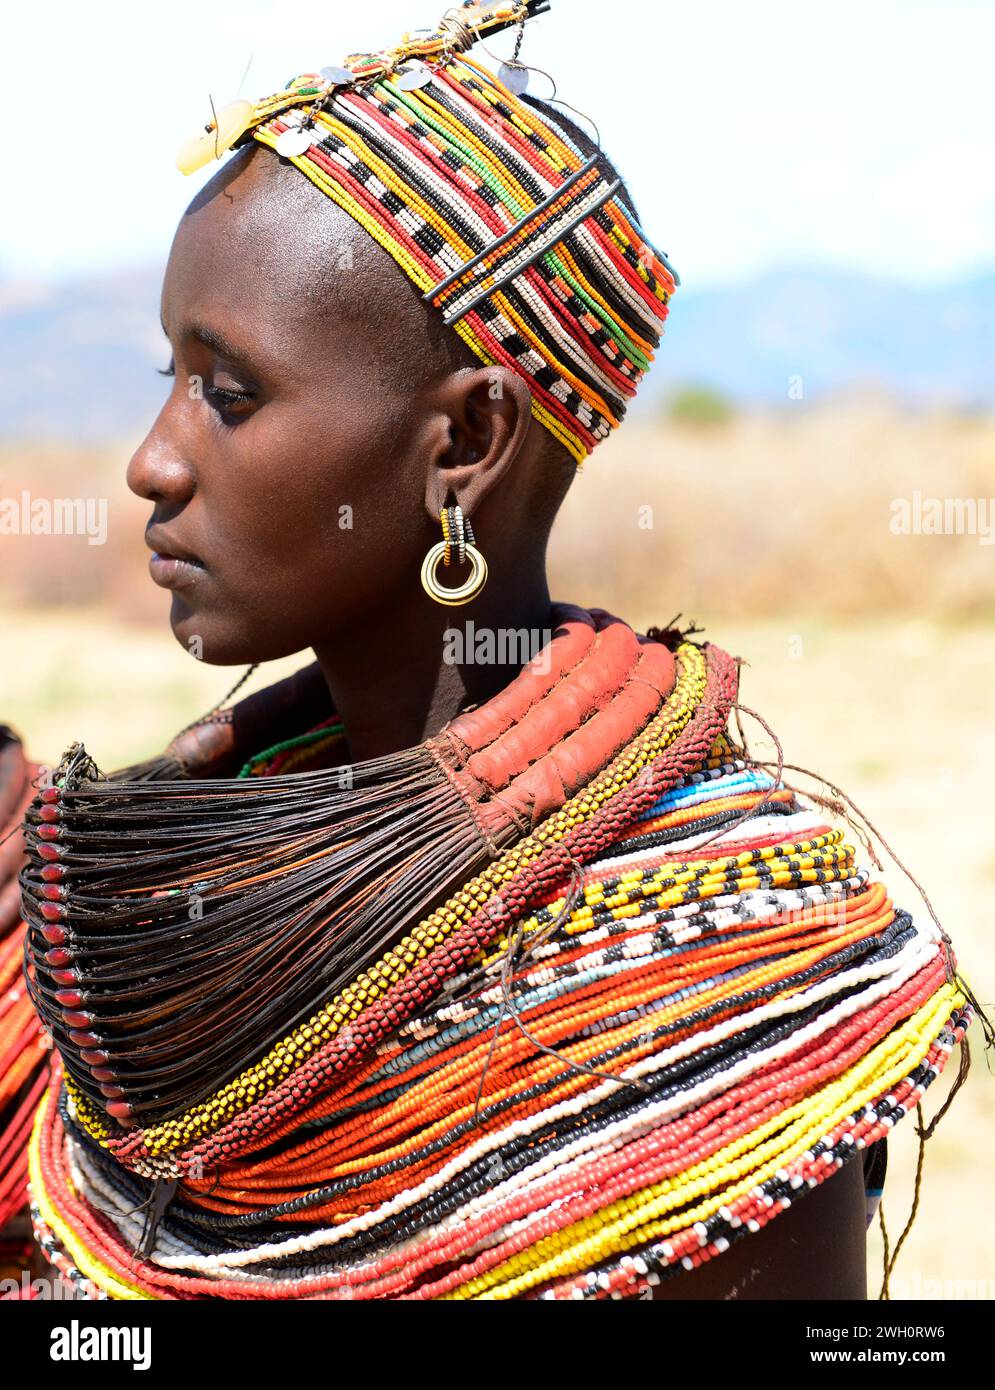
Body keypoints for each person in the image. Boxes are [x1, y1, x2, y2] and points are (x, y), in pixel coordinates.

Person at [0, 0, 979, 1301]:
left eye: (229, 395)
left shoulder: (719, 971)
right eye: (167, 381)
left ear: (463, 445)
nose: (154, 461)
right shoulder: (184, 866)